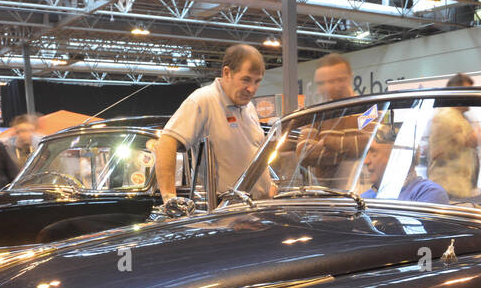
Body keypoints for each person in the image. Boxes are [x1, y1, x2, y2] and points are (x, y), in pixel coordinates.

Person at [156, 43, 266, 216]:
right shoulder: (203, 100)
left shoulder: (249, 107)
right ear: (227, 73)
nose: (252, 88)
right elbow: (165, 143)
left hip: (255, 209)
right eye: (246, 80)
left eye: (257, 81)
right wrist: (170, 199)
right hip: (225, 211)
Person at [293, 53, 370, 189]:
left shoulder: (369, 109)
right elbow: (303, 153)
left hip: (359, 195)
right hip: (324, 196)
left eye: (333, 80)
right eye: (321, 83)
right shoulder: (317, 113)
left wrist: (326, 142)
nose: (324, 88)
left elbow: (367, 145)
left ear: (348, 78)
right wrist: (349, 154)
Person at [358, 126, 448, 204]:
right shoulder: (363, 199)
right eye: (366, 153)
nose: (366, 161)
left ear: (400, 156)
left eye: (374, 153)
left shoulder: (428, 193)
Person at [426, 74, 480, 198]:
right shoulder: (445, 117)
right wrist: (466, 141)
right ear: (456, 93)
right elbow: (435, 154)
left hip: (459, 189)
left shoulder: (460, 118)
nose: (472, 97)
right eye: (468, 92)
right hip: (447, 190)